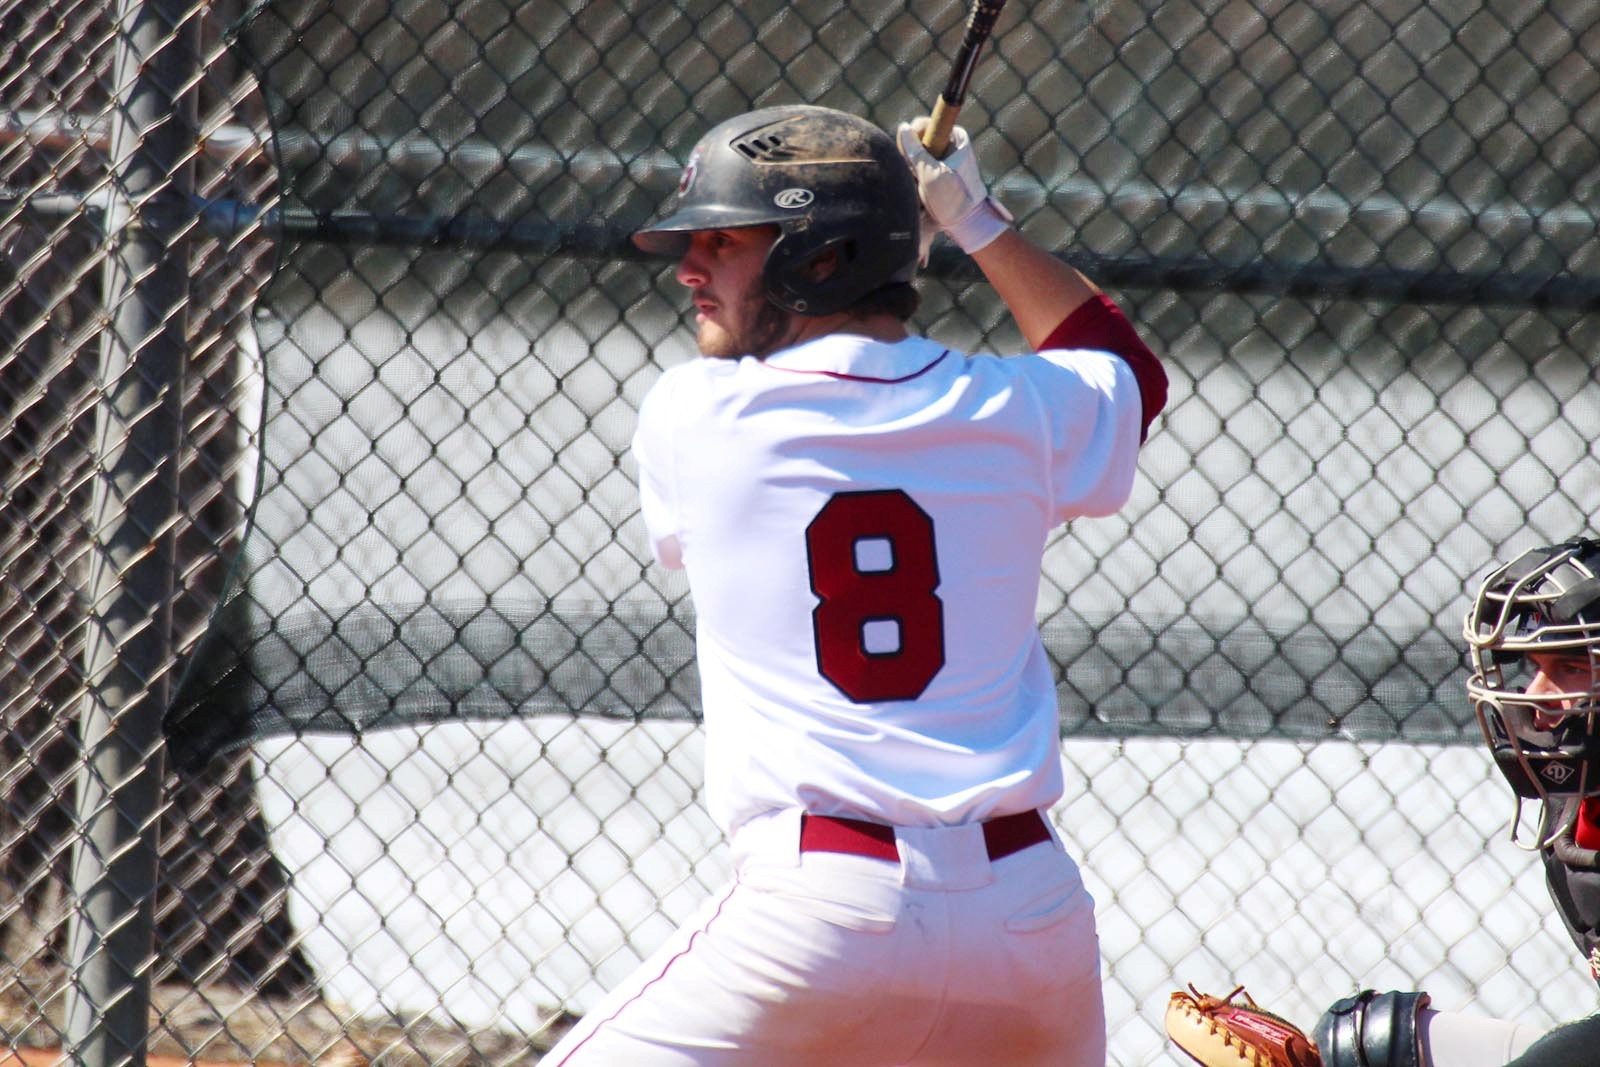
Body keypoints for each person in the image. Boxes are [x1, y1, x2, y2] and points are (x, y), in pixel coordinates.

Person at [539, 103, 1166, 1065]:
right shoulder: (1019, 409)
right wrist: (975, 220)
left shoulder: (695, 415)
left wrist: (893, 245)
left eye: (723, 241)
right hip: (1031, 922)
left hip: (823, 914)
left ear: (820, 258)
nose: (689, 269)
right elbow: (1126, 373)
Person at [1306, 537, 1600, 1067]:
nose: (1536, 696)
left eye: (1572, 669)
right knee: (1369, 1043)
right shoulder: (1576, 811)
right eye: (1535, 667)